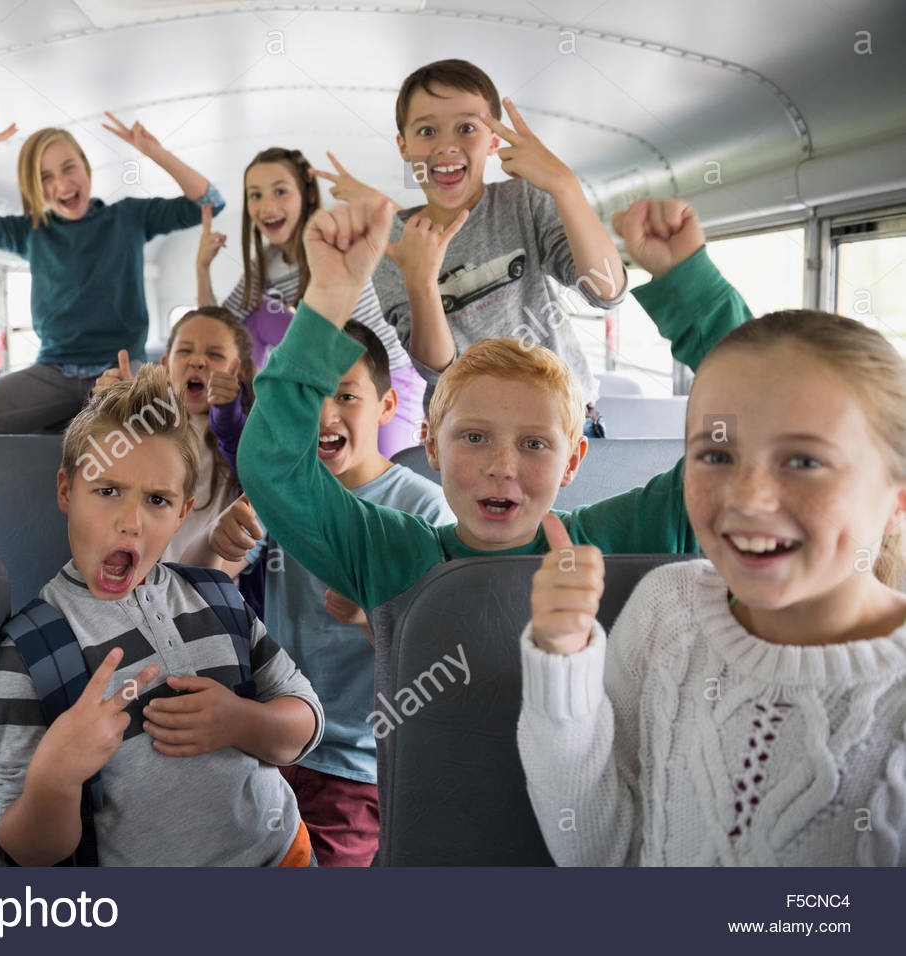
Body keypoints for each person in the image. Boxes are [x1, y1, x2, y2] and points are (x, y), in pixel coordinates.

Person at [237, 189, 747, 847]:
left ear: (572, 461)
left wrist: (692, 290)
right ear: (431, 443)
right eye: (473, 437)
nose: (502, 467)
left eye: (535, 444)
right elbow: (274, 466)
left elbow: (748, 441)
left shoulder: (613, 542)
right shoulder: (396, 555)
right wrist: (330, 298)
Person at [521, 308, 906, 865]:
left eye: (803, 460)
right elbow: (595, 853)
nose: (748, 499)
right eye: (717, 455)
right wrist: (563, 666)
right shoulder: (667, 609)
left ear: (896, 500)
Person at [0, 365, 323, 866]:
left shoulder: (218, 598)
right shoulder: (30, 647)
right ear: (65, 491)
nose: (130, 521)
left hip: (287, 858)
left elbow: (306, 720)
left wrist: (241, 721)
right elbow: (28, 851)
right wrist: (55, 776)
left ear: (182, 512)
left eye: (157, 500)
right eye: (106, 491)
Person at [208, 320, 453, 865]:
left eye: (345, 395)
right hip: (268, 744)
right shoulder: (283, 497)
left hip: (357, 765)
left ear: (387, 405)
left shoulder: (425, 509)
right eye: (310, 396)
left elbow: (441, 662)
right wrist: (220, 542)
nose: (324, 414)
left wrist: (373, 616)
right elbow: (211, 582)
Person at [353, 58, 626, 416]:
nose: (446, 146)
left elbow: (606, 291)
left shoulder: (525, 200)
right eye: (426, 131)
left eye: (466, 128)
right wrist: (420, 282)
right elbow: (437, 369)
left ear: (494, 141)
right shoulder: (393, 241)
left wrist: (566, 186)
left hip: (566, 423)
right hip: (467, 434)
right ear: (404, 146)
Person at [0, 113, 224, 432]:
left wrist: (155, 152)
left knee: (147, 434)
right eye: (46, 176)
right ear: (35, 187)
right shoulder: (32, 231)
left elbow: (209, 202)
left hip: (123, 368)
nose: (61, 183)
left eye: (69, 167)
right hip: (53, 373)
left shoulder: (128, 217)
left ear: (86, 166)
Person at [197, 146, 424, 454]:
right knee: (252, 316)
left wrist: (366, 197)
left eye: (280, 191)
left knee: (387, 469)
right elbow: (215, 326)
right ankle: (253, 403)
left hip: (386, 372)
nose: (267, 206)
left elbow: (408, 235)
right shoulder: (265, 263)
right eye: (255, 195)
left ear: (307, 196)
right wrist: (202, 268)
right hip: (328, 380)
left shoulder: (330, 239)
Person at [95, 306, 255, 575]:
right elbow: (101, 477)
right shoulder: (147, 425)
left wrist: (227, 413)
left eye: (215, 354)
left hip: (208, 592)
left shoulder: (245, 431)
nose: (198, 361)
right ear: (166, 366)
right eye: (185, 351)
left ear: (241, 373)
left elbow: (248, 457)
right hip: (141, 585)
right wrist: (109, 412)